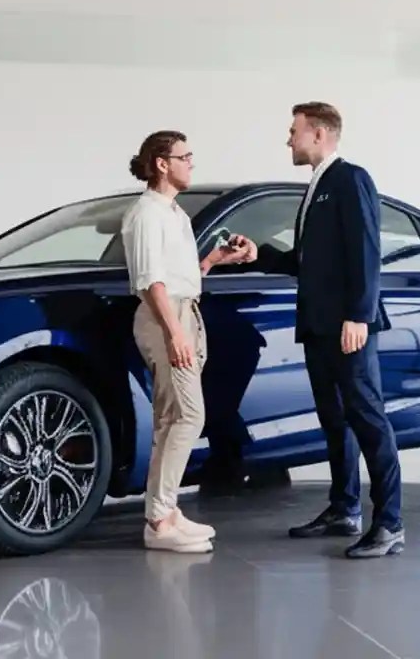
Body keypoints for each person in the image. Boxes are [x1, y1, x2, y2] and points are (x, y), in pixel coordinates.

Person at [251, 102, 404, 559]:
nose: (288, 139)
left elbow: (366, 251)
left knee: (368, 419)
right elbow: (307, 263)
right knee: (336, 422)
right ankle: (344, 508)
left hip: (347, 327)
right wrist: (255, 255)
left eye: (293, 131)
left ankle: (390, 523)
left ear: (318, 134)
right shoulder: (316, 187)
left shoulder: (350, 179)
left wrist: (359, 314)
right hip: (318, 328)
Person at [121, 129, 257, 553]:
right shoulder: (146, 215)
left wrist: (215, 260)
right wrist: (175, 332)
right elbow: (151, 281)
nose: (191, 163)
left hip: (183, 311)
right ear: (162, 164)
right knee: (188, 417)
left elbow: (179, 275)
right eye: (185, 156)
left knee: (170, 419)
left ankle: (166, 511)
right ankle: (159, 521)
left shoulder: (174, 214)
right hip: (166, 319)